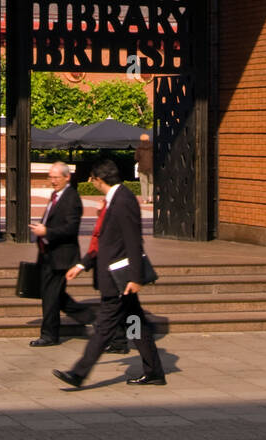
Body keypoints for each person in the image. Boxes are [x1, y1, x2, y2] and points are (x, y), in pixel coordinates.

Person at [53, 159, 165, 388]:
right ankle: (153, 370)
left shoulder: (122, 201)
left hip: (119, 279)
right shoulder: (114, 200)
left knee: (104, 328)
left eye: (91, 178)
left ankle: (78, 373)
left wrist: (135, 278)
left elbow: (134, 241)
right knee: (136, 322)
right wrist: (82, 265)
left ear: (99, 179)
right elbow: (105, 241)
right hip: (118, 277)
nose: (90, 182)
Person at [28, 161, 87, 347]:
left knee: (51, 296)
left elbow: (71, 228)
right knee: (56, 297)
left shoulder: (72, 197)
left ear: (67, 177)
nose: (52, 181)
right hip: (48, 254)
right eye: (50, 177)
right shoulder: (57, 195)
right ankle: (96, 320)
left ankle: (49, 335)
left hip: (62, 256)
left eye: (56, 177)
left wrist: (47, 232)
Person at [134, 131, 153, 203]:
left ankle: (145, 199)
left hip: (142, 168)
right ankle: (150, 197)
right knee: (152, 183)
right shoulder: (152, 147)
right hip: (151, 168)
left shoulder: (139, 148)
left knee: (143, 183)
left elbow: (136, 158)